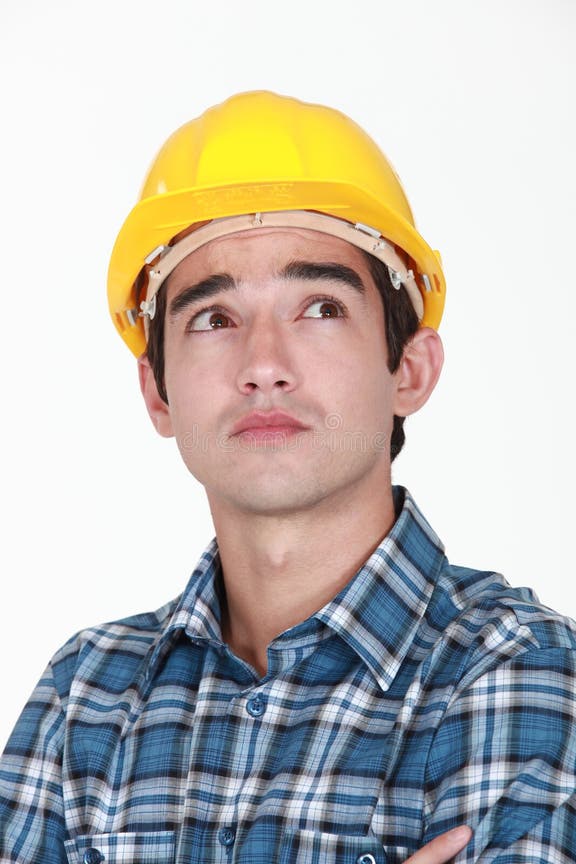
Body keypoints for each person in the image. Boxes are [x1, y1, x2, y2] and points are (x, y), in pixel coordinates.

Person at [1, 91, 575, 864]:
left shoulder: (520, 672)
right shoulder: (85, 701)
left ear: (409, 368)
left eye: (320, 307)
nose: (264, 365)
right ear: (157, 392)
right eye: (214, 318)